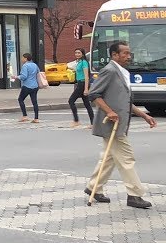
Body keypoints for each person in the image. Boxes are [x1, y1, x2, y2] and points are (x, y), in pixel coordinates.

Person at [84, 40, 157, 209]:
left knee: (109, 158)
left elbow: (124, 102)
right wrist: (109, 111)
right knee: (126, 158)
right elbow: (94, 94)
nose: (128, 56)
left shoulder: (121, 72)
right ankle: (134, 194)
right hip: (111, 124)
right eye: (125, 53)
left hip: (120, 123)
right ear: (114, 55)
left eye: (129, 53)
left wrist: (143, 115)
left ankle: (93, 187)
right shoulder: (109, 71)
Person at [67, 47, 93, 128]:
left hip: (82, 84)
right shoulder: (79, 62)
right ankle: (93, 123)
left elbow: (86, 77)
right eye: (76, 53)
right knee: (87, 104)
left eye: (79, 53)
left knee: (71, 100)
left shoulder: (84, 62)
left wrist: (86, 89)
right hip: (79, 83)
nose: (77, 54)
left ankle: (76, 120)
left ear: (82, 54)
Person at [16, 53, 40, 123]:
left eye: (22, 58)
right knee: (34, 102)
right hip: (35, 86)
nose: (21, 59)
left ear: (26, 59)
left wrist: (17, 77)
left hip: (27, 86)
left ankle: (25, 116)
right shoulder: (34, 65)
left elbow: (24, 76)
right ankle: (36, 118)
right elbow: (38, 73)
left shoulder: (25, 66)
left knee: (20, 99)